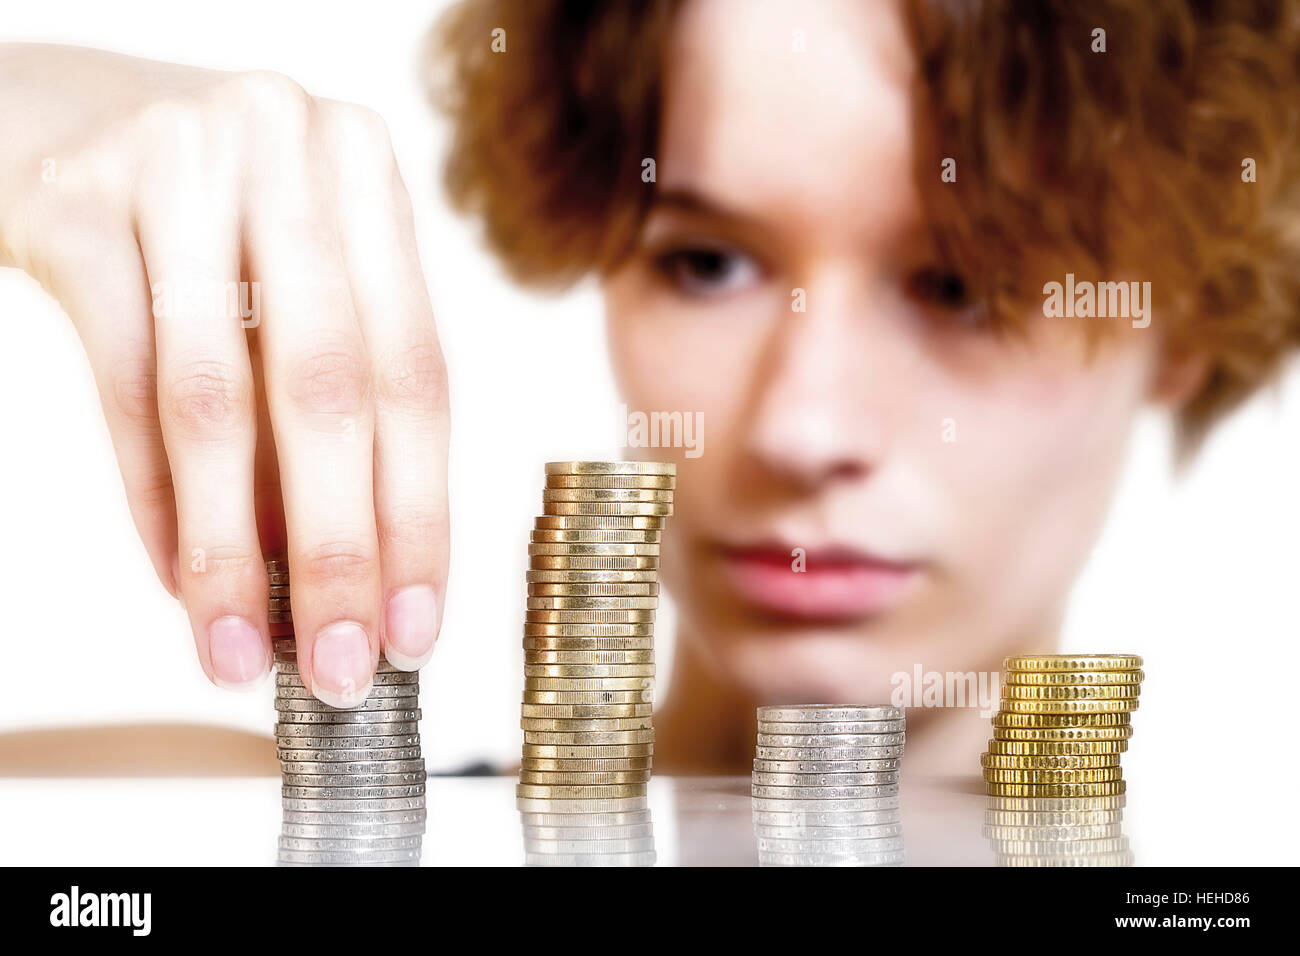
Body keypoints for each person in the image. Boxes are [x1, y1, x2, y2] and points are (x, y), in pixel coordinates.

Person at [2, 0, 1297, 774]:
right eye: (708, 261)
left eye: (968, 288)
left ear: (1193, 310)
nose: (805, 425)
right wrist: (28, 127)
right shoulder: (170, 835)